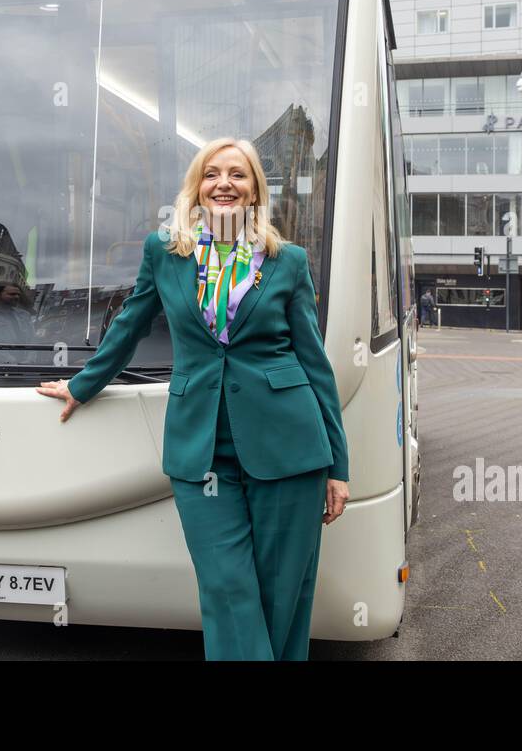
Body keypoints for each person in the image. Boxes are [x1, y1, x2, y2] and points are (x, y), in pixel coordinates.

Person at [37, 137, 350, 661]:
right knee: (226, 586)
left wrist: (338, 465)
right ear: (197, 188)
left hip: (290, 447)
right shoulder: (166, 251)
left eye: (238, 174)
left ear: (254, 191)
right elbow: (131, 323)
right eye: (211, 174)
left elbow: (315, 363)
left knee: (283, 594)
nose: (224, 183)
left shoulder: (286, 261)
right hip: (200, 449)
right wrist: (83, 384)